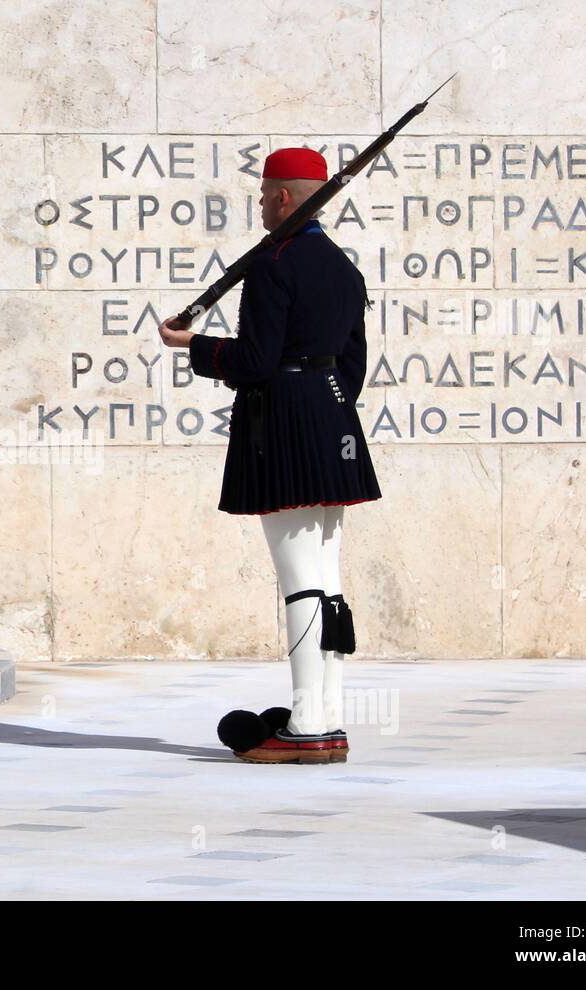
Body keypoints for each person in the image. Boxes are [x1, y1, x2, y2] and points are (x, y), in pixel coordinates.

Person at [159, 146, 381, 765]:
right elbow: (354, 364)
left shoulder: (274, 265)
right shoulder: (343, 267)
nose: (260, 205)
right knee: (327, 578)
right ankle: (327, 719)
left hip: (282, 422)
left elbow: (255, 361)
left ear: (283, 197)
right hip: (332, 416)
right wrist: (324, 407)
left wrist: (194, 345)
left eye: (263, 195)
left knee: (300, 581)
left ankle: (306, 726)